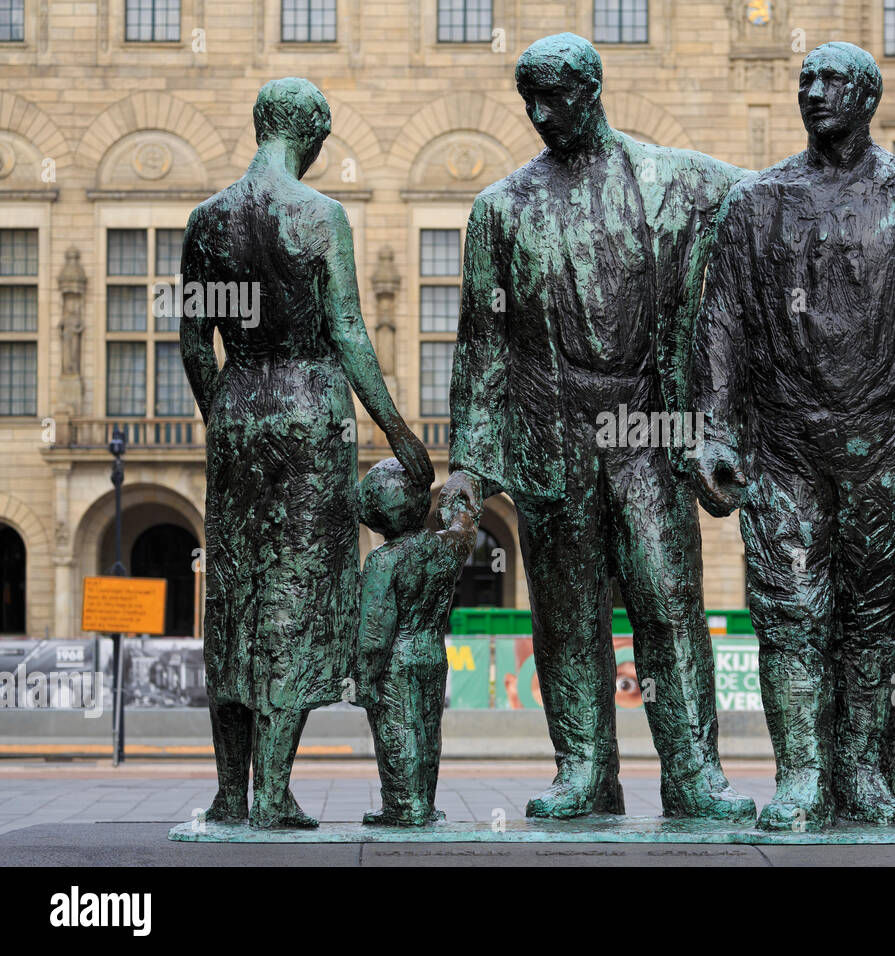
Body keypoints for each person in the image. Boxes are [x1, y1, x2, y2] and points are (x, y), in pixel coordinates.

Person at [438, 33, 754, 821]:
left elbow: (780, 195)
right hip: (553, 430)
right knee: (567, 610)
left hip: (648, 425)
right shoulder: (501, 209)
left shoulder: (676, 180)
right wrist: (471, 465)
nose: (541, 116)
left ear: (593, 91)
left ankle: (692, 774)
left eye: (555, 99)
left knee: (668, 598)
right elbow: (481, 345)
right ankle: (584, 767)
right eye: (529, 103)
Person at [690, 41, 895, 830]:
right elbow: (721, 323)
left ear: (868, 97)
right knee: (788, 610)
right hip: (786, 445)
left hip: (886, 442)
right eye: (806, 79)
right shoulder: (754, 204)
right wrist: (714, 433)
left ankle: (860, 770)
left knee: (869, 615)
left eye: (832, 81)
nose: (814, 91)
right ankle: (800, 775)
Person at [181, 78, 434, 829]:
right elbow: (350, 333)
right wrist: (396, 429)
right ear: (315, 134)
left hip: (238, 408)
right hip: (310, 409)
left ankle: (229, 791)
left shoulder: (207, 219)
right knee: (296, 599)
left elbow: (195, 342)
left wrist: (223, 411)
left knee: (232, 596)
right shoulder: (322, 215)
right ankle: (270, 795)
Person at [356, 458, 477, 827]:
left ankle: (403, 805)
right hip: (432, 653)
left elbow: (375, 633)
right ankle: (424, 801)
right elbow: (465, 527)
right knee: (427, 731)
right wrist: (458, 503)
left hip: (397, 658)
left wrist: (364, 677)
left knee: (398, 731)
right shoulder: (448, 546)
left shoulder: (383, 561)